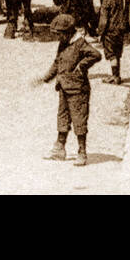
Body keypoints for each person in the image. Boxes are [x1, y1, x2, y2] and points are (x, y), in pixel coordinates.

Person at [42, 12, 101, 166]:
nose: (58, 38)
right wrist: (46, 77)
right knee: (62, 116)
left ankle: (82, 151)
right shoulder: (63, 44)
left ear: (68, 32)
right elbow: (57, 62)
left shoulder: (80, 43)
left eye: (60, 34)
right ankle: (59, 148)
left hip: (77, 89)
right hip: (63, 86)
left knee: (79, 119)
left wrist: (82, 65)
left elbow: (96, 55)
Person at [97, 0, 127, 84]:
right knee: (117, 53)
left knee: (111, 54)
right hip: (120, 29)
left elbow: (103, 20)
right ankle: (116, 75)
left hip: (110, 30)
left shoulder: (107, 0)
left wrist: (100, 33)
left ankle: (115, 76)